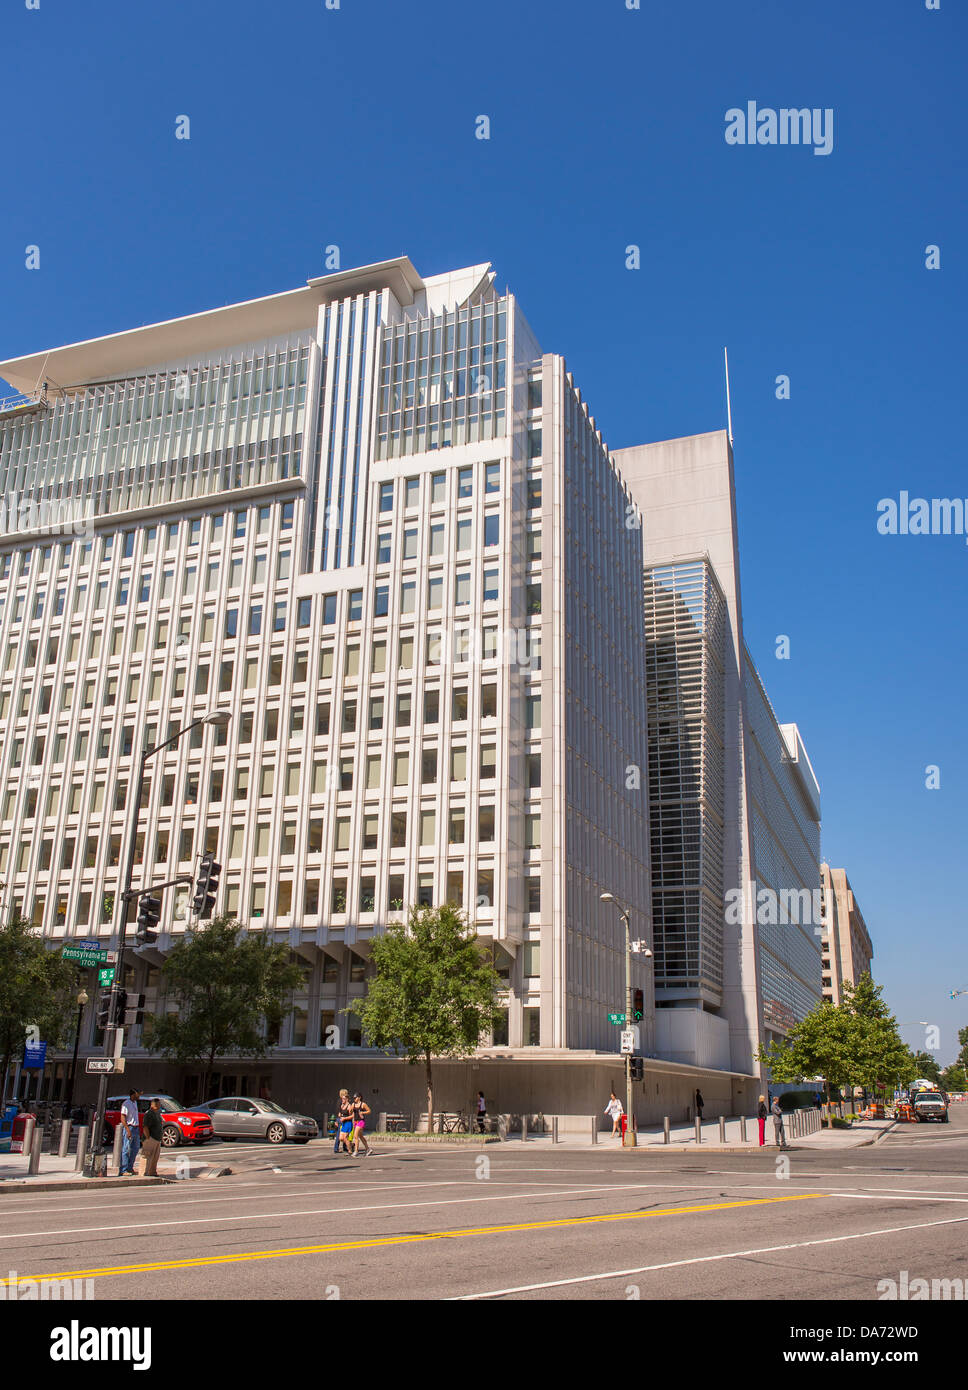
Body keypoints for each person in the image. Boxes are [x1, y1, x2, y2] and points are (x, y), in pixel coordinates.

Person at [119, 1090, 141, 1175]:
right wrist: (127, 1129)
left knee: (135, 1148)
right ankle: (123, 1170)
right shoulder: (126, 1104)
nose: (139, 1096)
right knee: (126, 1148)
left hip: (136, 1127)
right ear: (133, 1094)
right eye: (137, 1094)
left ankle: (130, 1167)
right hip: (130, 1127)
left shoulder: (135, 1103)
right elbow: (123, 1117)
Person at [141, 1098, 163, 1177]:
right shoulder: (149, 1114)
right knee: (147, 1156)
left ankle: (152, 1172)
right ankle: (144, 1172)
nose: (159, 1105)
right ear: (153, 1105)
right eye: (158, 1104)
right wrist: (148, 1138)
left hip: (157, 1139)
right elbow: (145, 1127)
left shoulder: (157, 1113)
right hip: (151, 1138)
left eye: (159, 1104)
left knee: (155, 1157)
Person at [336, 1089, 354, 1154]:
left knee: (345, 1138)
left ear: (347, 1099)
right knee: (341, 1138)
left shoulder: (349, 1106)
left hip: (348, 1123)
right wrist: (339, 1117)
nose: (342, 1100)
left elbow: (352, 1116)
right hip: (343, 1123)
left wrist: (345, 1118)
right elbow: (340, 1113)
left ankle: (350, 1151)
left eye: (343, 1099)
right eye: (342, 1099)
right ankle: (351, 1144)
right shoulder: (342, 1106)